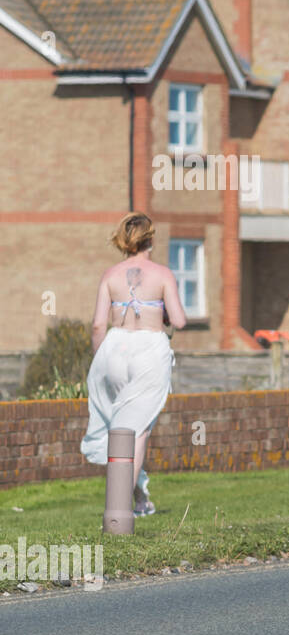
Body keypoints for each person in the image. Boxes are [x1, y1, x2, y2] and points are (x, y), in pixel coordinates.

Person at [81, 213, 187, 516]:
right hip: (148, 349)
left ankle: (140, 500)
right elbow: (178, 319)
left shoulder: (110, 274)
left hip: (115, 348)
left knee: (122, 427)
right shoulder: (162, 274)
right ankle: (118, 511)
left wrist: (100, 361)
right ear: (150, 239)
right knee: (136, 431)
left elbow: (99, 326)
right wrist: (163, 313)